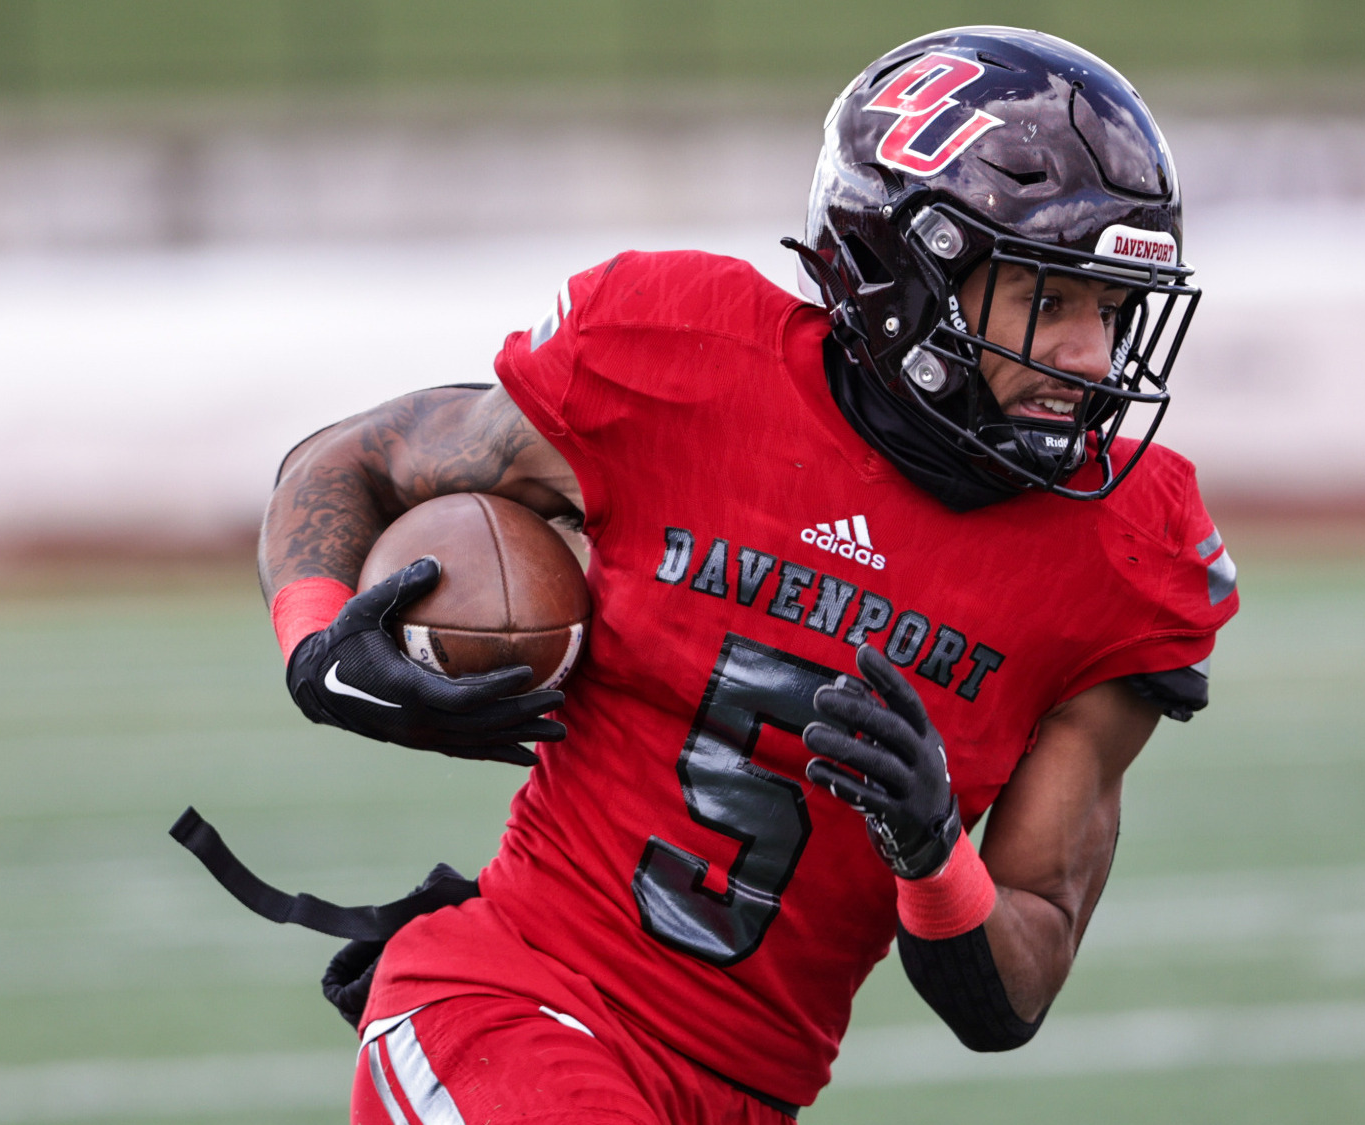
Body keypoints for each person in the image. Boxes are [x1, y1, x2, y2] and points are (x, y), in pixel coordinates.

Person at [257, 25, 1237, 1124]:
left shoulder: (1122, 550)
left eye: (1108, 311)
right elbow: (353, 459)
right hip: (511, 1003)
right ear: (902, 277)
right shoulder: (676, 360)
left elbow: (1013, 989)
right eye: (1045, 302)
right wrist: (314, 638)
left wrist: (931, 850)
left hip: (744, 1095)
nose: (1091, 361)